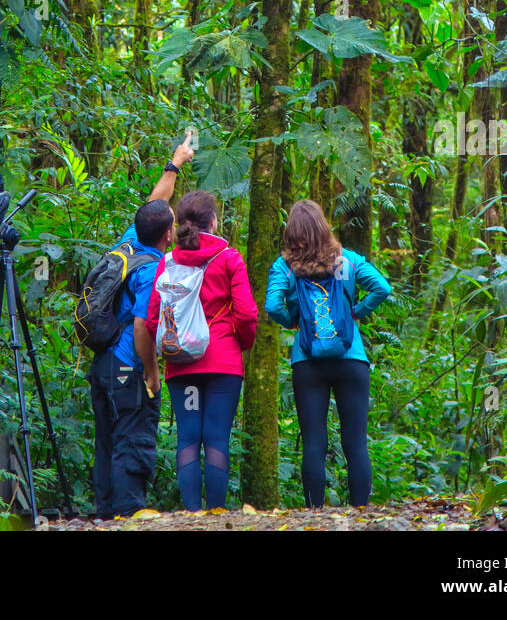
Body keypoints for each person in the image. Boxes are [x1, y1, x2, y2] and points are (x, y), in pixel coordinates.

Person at [88, 133, 195, 518]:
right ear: (168, 234)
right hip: (126, 366)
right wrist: (152, 375)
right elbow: (142, 328)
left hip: (101, 364)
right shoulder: (151, 269)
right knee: (131, 442)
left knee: (106, 441)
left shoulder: (128, 246)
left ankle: (104, 515)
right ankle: (126, 515)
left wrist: (176, 161)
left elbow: (155, 203)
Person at [265, 199, 391, 508]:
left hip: (307, 362)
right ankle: (361, 511)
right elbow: (382, 288)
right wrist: (356, 312)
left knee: (313, 441)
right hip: (351, 358)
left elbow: (271, 306)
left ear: (291, 232)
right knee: (356, 443)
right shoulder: (346, 260)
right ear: (324, 227)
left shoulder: (285, 266)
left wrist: (292, 321)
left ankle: (314, 514)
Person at [144, 189, 257, 511]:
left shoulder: (166, 262)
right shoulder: (229, 258)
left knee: (189, 437)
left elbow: (153, 318)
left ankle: (192, 515)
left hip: (182, 366)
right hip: (223, 363)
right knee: (217, 437)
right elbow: (247, 313)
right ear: (213, 221)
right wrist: (241, 344)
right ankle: (216, 512)